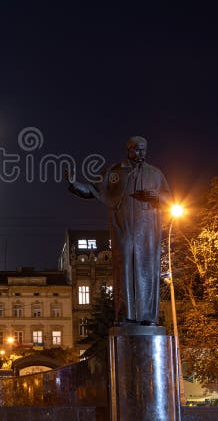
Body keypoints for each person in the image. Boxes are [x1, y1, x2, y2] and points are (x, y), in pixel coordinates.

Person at [68, 136, 169, 326]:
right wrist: (74, 184)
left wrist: (156, 196)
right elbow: (93, 189)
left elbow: (168, 198)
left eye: (144, 150)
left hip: (147, 228)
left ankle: (148, 316)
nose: (141, 153)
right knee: (123, 267)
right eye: (137, 149)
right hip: (123, 227)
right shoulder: (114, 172)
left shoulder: (155, 174)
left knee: (147, 269)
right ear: (128, 149)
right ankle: (125, 314)